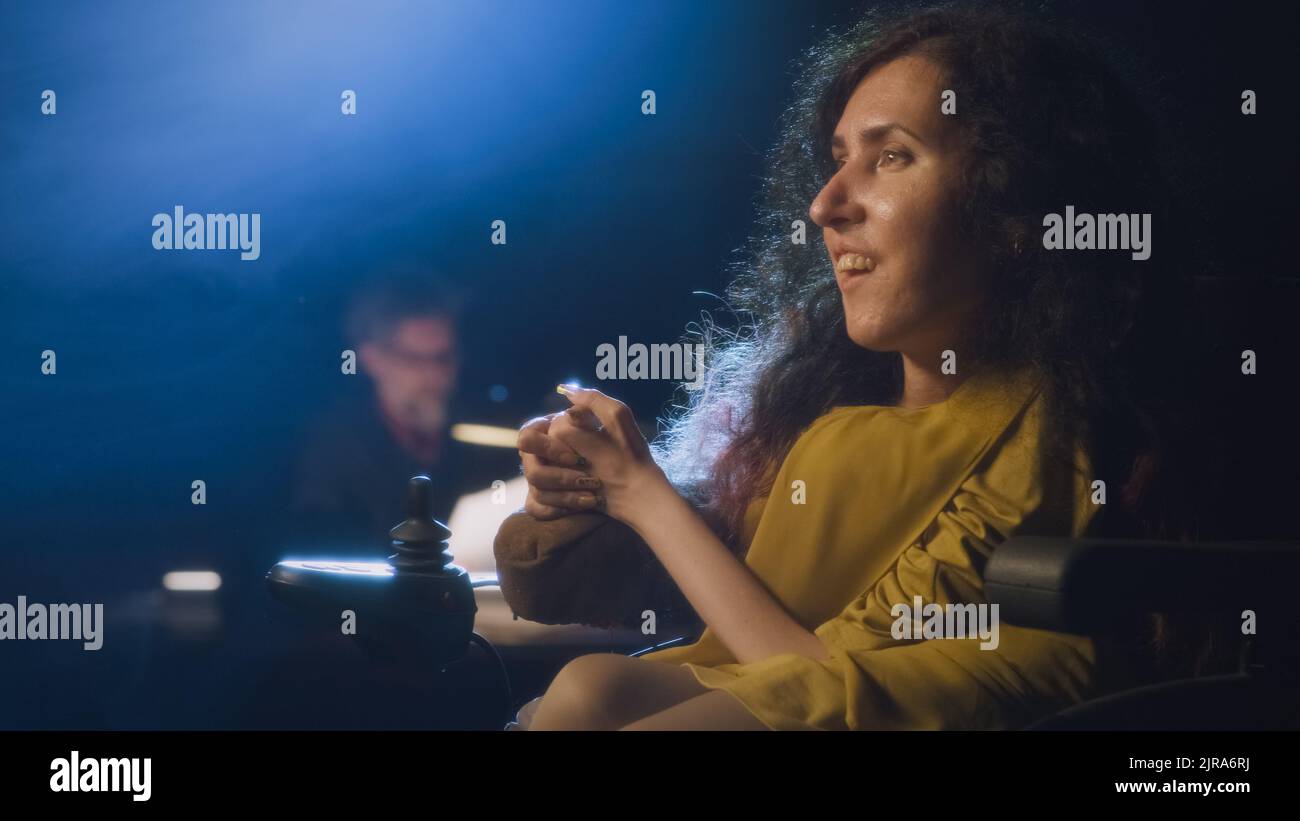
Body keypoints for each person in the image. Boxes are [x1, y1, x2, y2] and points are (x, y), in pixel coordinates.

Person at [510, 5, 1217, 730]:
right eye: (839, 158)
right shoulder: (814, 409)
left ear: (1013, 211)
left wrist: (642, 493)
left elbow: (822, 680)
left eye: (892, 156)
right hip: (794, 670)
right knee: (585, 690)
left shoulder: (1040, 428)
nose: (825, 205)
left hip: (937, 685)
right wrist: (579, 490)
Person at [291, 270, 515, 548]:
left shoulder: (484, 435)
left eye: (444, 357)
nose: (434, 374)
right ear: (372, 359)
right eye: (414, 359)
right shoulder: (334, 448)